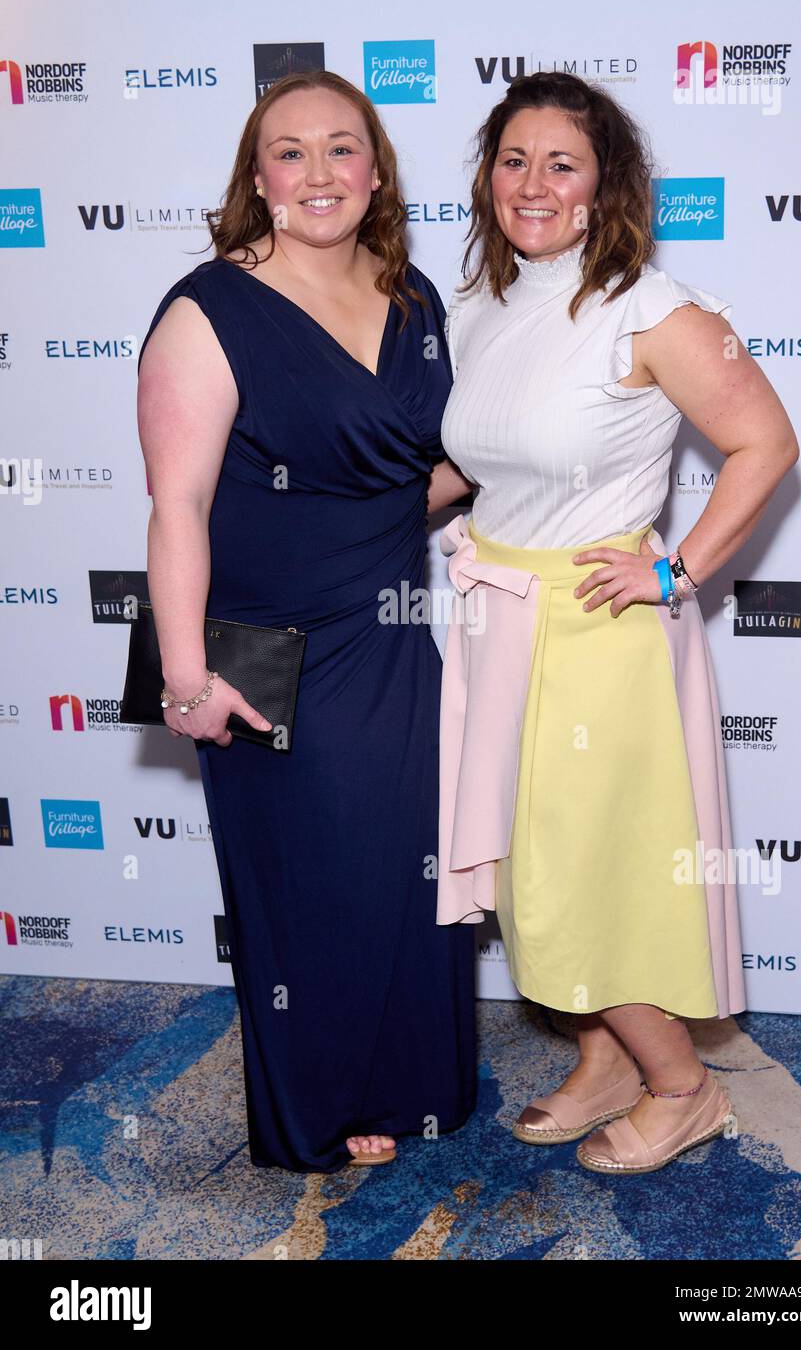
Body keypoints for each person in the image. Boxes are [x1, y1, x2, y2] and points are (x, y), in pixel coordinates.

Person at [434, 71, 799, 1175]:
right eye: (513, 159)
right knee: (541, 868)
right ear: (488, 175)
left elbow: (767, 443)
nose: (533, 184)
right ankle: (606, 1059)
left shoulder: (654, 307)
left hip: (595, 631)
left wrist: (675, 569)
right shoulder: (483, 303)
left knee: (580, 874)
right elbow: (472, 463)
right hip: (501, 618)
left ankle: (684, 1088)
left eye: (562, 163)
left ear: (606, 186)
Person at [135, 70, 477, 1174]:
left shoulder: (413, 296)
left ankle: (410, 1082)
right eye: (291, 151)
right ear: (258, 175)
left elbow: (418, 470)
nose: (319, 172)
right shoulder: (208, 309)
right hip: (270, 650)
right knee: (314, 880)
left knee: (404, 868)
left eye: (343, 148)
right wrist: (186, 674)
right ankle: (322, 1101)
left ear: (376, 170)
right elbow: (178, 503)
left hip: (390, 628)